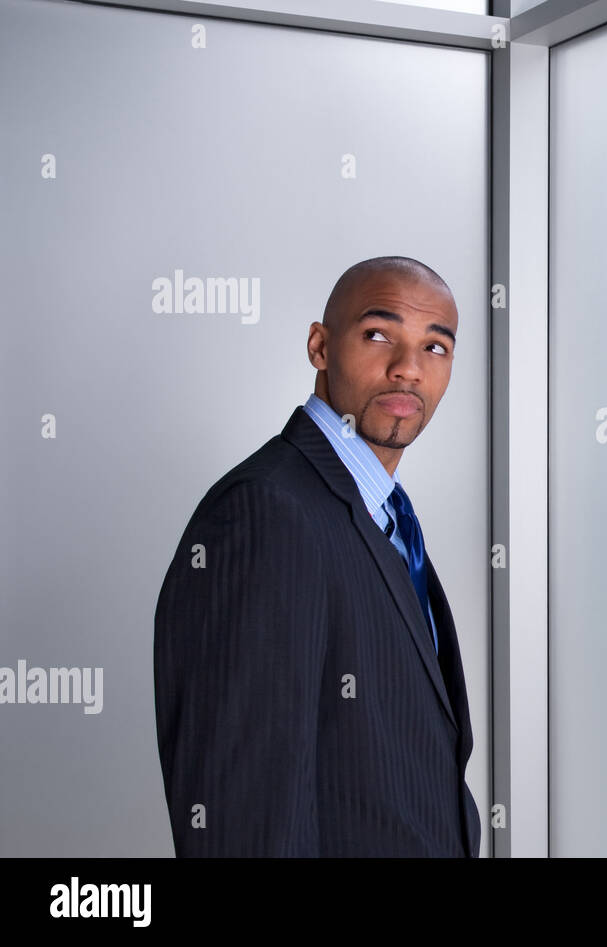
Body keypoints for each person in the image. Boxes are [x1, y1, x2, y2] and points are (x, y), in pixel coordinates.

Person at [153, 256, 479, 857]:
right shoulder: (265, 514)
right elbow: (243, 814)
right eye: (379, 335)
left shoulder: (386, 513)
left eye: (436, 347)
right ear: (320, 346)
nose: (408, 369)